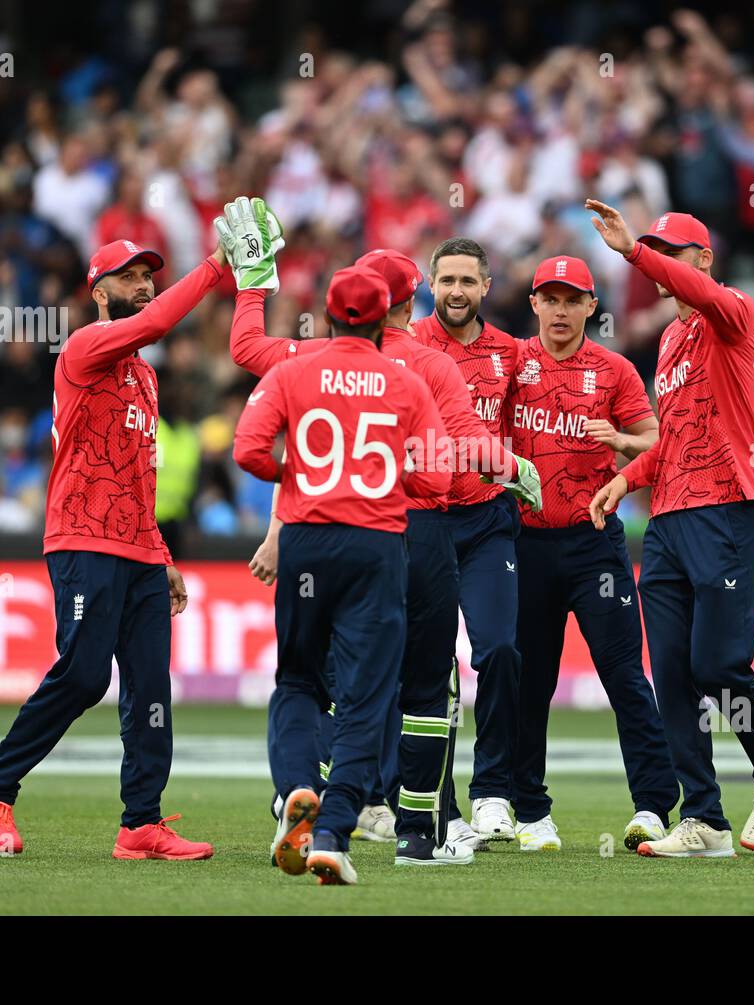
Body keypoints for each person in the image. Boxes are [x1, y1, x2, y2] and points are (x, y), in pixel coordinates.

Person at [225, 197, 538, 863]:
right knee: (423, 687)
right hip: (409, 535)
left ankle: (299, 793)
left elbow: (246, 351)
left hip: (319, 534)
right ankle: (420, 831)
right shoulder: (429, 365)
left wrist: (253, 283)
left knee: (312, 680)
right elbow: (458, 456)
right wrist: (512, 466)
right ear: (406, 302)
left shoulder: (306, 355)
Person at [0, 235, 228, 860]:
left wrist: (161, 553)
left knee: (149, 687)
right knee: (84, 677)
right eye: (129, 276)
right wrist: (218, 264)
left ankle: (141, 822)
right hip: (82, 537)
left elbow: (140, 475)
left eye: (147, 275)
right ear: (99, 290)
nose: (143, 285)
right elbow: (161, 320)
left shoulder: (147, 378)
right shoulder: (84, 347)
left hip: (137, 548)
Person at [586, 200, 754, 858]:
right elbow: (673, 441)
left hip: (728, 509)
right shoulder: (670, 341)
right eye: (656, 258)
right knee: (674, 673)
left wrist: (630, 251)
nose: (660, 271)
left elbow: (701, 293)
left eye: (669, 256)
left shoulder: (733, 312)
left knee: (718, 665)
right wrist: (625, 478)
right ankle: (704, 818)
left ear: (702, 260)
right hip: (667, 521)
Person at [232, 264, 453, 886]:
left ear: (327, 315)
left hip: (306, 541)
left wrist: (296, 477)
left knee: (299, 679)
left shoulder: (292, 370)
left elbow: (248, 449)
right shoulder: (405, 381)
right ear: (386, 320)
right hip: (377, 546)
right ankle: (332, 835)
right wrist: (385, 478)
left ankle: (297, 786)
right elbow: (437, 477)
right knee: (368, 697)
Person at [506, 255, 678, 853]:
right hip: (525, 542)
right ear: (533, 304)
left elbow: (660, 442)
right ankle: (530, 810)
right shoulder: (510, 364)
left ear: (590, 307)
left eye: (571, 299)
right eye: (549, 298)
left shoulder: (615, 371)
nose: (559, 309)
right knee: (531, 682)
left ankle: (654, 807)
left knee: (625, 675)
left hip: (594, 542)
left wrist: (623, 441)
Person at [411, 237, 526, 842]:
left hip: (486, 523)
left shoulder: (512, 353)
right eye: (446, 280)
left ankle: (493, 794)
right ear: (430, 283)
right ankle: (435, 802)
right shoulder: (402, 347)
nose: (456, 291)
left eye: (467, 281)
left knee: (501, 651)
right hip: (421, 521)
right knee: (430, 667)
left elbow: (537, 428)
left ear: (486, 286)